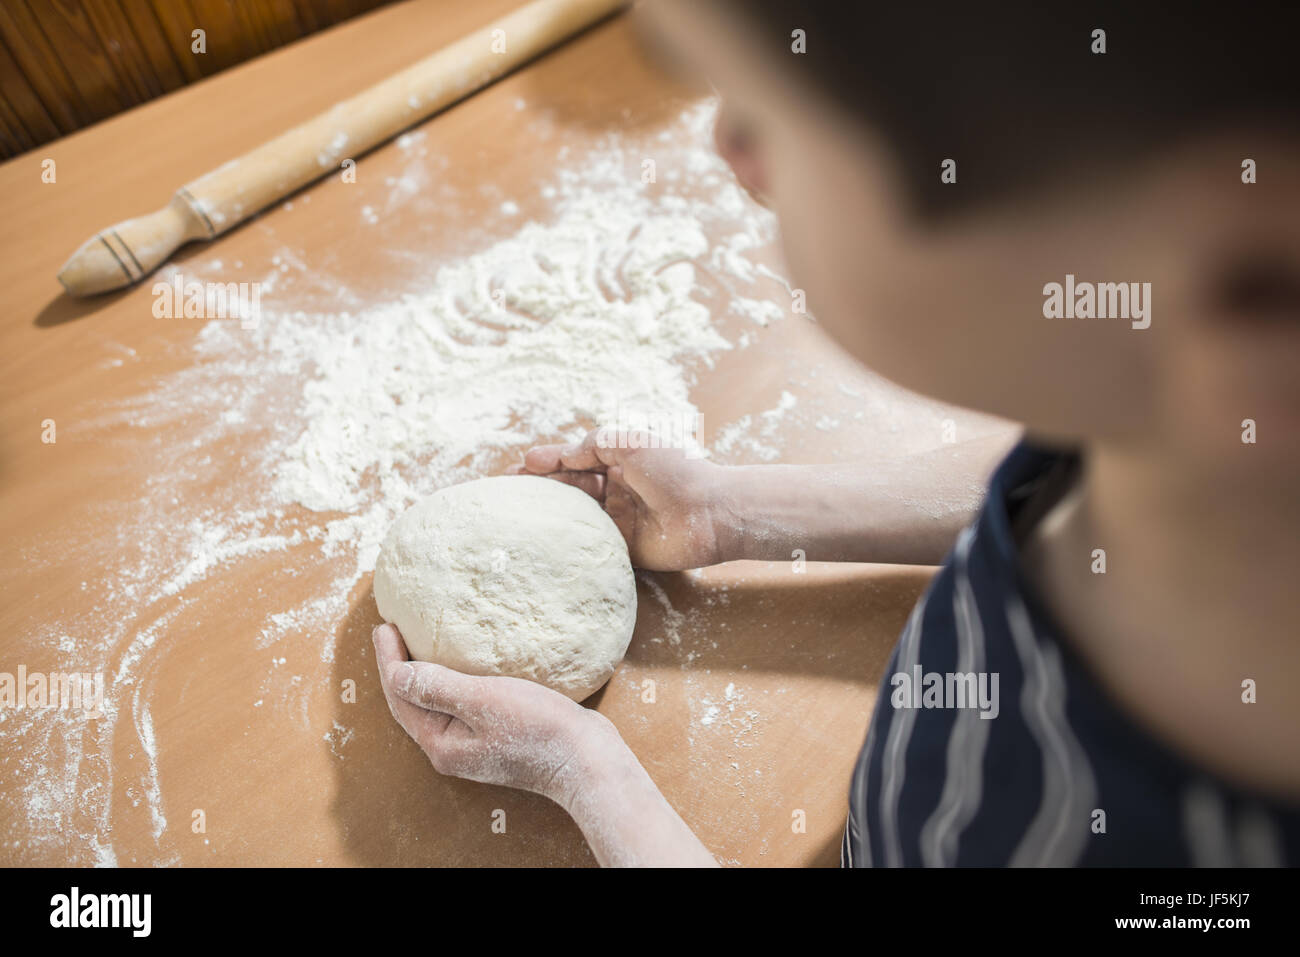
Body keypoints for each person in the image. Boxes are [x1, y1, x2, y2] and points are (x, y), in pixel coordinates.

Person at [372, 1, 1300, 866]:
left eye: (780, 112)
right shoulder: (1205, 423)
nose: (731, 149)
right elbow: (1069, 458)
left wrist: (592, 777)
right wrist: (728, 512)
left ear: (1235, 273)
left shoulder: (1110, 838)